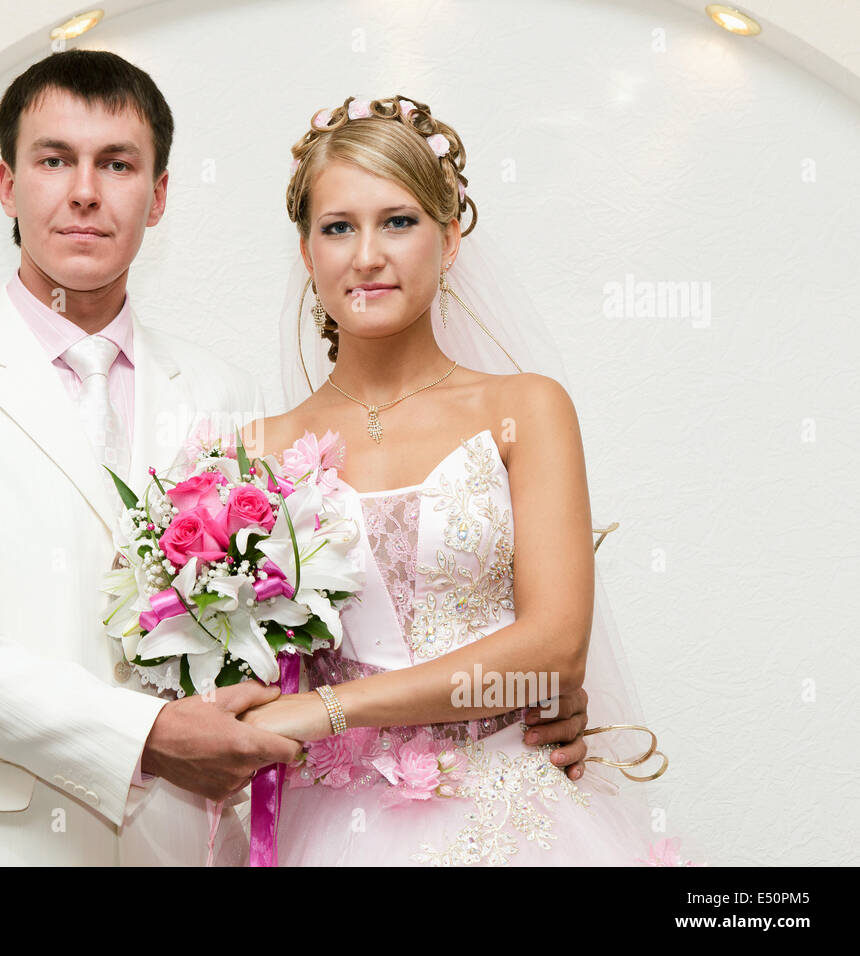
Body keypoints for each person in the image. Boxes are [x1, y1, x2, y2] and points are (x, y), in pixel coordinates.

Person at [0, 52, 592, 867]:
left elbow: (290, 637)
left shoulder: (228, 403)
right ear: (6, 184)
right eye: (54, 160)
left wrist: (510, 701)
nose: (84, 191)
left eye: (117, 164)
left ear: (157, 196)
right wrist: (147, 734)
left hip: (195, 843)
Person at [236, 94, 672, 865]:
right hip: (331, 828)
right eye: (338, 227)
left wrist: (321, 709)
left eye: (398, 221)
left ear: (451, 238)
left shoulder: (524, 409)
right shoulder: (252, 459)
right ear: (306, 252)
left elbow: (554, 648)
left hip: (509, 816)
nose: (367, 255)